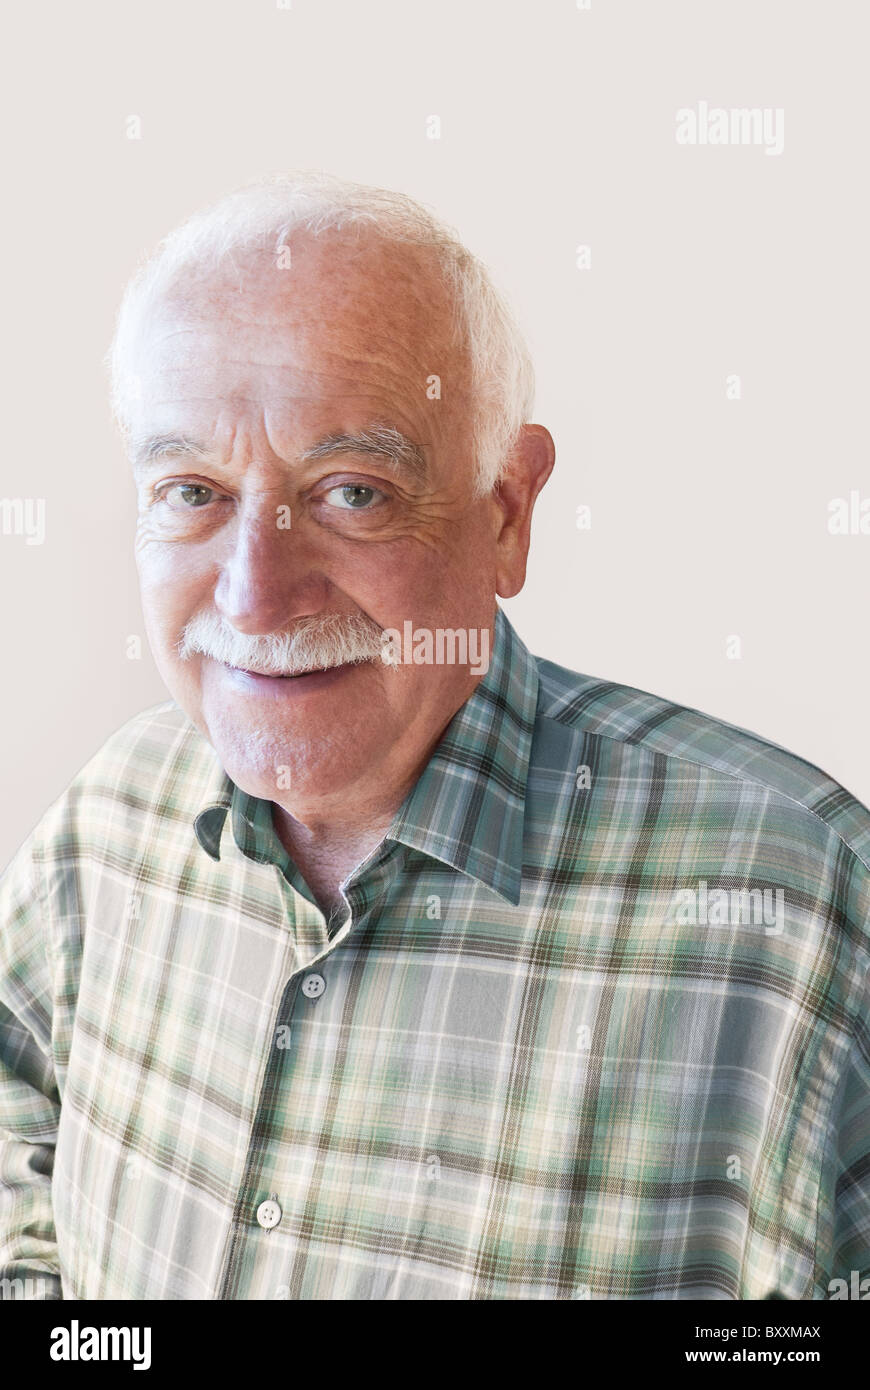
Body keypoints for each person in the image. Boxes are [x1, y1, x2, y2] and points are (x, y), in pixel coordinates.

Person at [1, 173, 867, 1300]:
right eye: (194, 491)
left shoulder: (797, 906)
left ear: (505, 509)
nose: (256, 599)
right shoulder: (111, 820)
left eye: (351, 491)